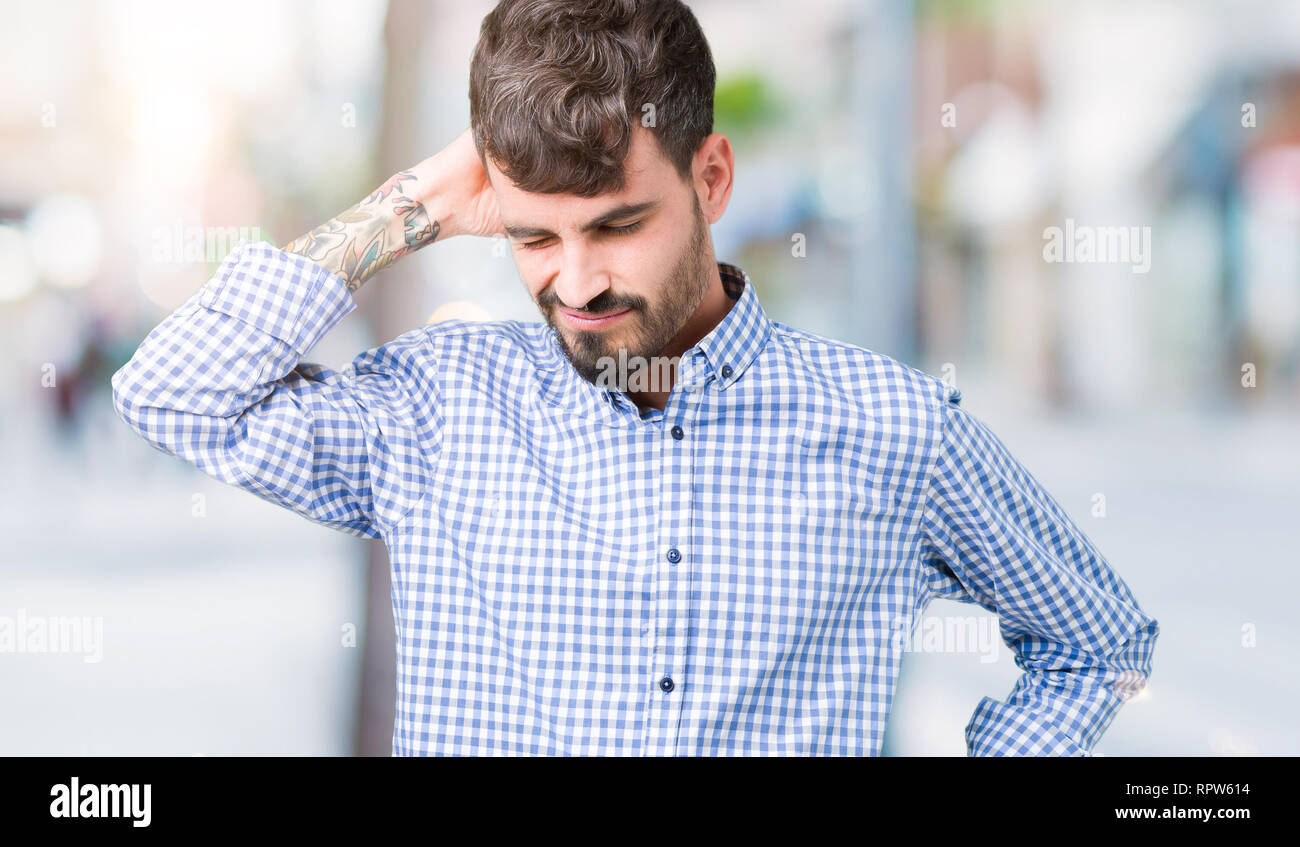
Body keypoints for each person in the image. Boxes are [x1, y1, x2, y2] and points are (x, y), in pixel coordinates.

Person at [111, 0, 1158, 756]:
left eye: (615, 225)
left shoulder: (893, 428)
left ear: (710, 177)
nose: (574, 282)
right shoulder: (432, 410)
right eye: (531, 238)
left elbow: (1097, 640)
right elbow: (175, 391)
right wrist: (414, 205)